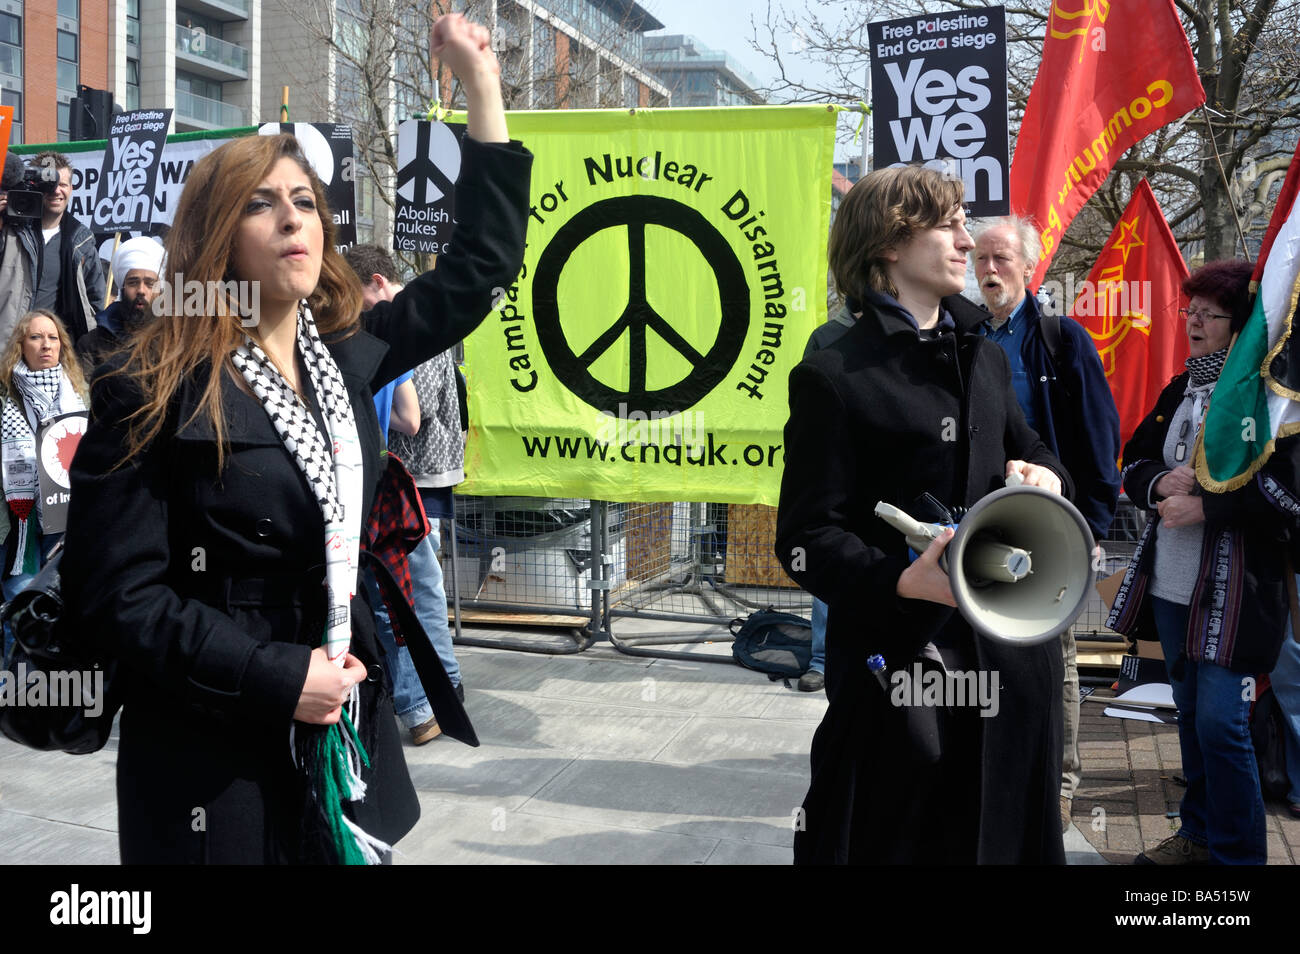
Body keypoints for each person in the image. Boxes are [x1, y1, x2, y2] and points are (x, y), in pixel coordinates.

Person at [60, 13, 530, 864]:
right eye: (263, 205)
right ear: (215, 235)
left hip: (344, 731)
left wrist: (480, 84)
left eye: (306, 203)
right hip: (212, 757)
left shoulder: (349, 350)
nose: (294, 221)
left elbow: (486, 262)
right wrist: (277, 678)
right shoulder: (149, 377)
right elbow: (114, 597)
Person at [775, 165, 1072, 864]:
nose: (968, 242)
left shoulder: (987, 360)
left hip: (1011, 653)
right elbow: (805, 538)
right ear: (889, 242)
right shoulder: (834, 374)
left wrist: (1043, 477)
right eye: (949, 225)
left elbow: (1033, 452)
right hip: (899, 666)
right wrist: (900, 583)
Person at [1107, 259, 1300, 865]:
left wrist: (1209, 510)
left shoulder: (1272, 403)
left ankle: (1238, 862)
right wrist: (1163, 482)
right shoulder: (1180, 387)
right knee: (1188, 717)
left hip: (1238, 592)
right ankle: (1196, 835)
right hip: (1170, 585)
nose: (1192, 322)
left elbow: (1289, 496)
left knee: (1222, 725)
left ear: (1242, 326)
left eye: (1208, 314)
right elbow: (1132, 461)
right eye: (1187, 310)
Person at [973, 215, 1122, 832]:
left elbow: (1097, 439)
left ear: (1029, 268)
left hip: (1047, 530)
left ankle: (1058, 788)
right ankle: (990, 776)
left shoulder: (1060, 341)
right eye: (979, 258)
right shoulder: (964, 336)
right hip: (977, 530)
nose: (988, 270)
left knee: (1053, 661)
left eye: (1001, 259)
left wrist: (1088, 528)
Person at [346, 244, 465, 744]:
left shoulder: (394, 333)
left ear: (375, 283)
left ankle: (422, 703)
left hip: (402, 482)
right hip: (414, 481)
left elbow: (415, 418)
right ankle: (443, 690)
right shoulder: (413, 324)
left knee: (397, 598)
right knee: (420, 592)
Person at [1, 310, 89, 659]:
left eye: (53, 337)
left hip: (64, 522)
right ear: (21, 345)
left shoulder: (80, 397)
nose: (46, 344)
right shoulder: (5, 397)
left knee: (53, 613)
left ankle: (40, 693)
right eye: (36, 337)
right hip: (17, 526)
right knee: (19, 608)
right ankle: (13, 687)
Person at [28, 151, 105, 342]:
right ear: (35, 186)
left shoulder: (83, 241)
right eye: (50, 184)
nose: (56, 191)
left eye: (62, 184)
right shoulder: (13, 234)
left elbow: (96, 301)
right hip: (10, 347)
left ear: (71, 188)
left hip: (61, 352)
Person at [75, 235, 165, 372]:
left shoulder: (174, 343)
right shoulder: (92, 344)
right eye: (133, 283)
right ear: (122, 287)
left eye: (149, 284)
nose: (141, 290)